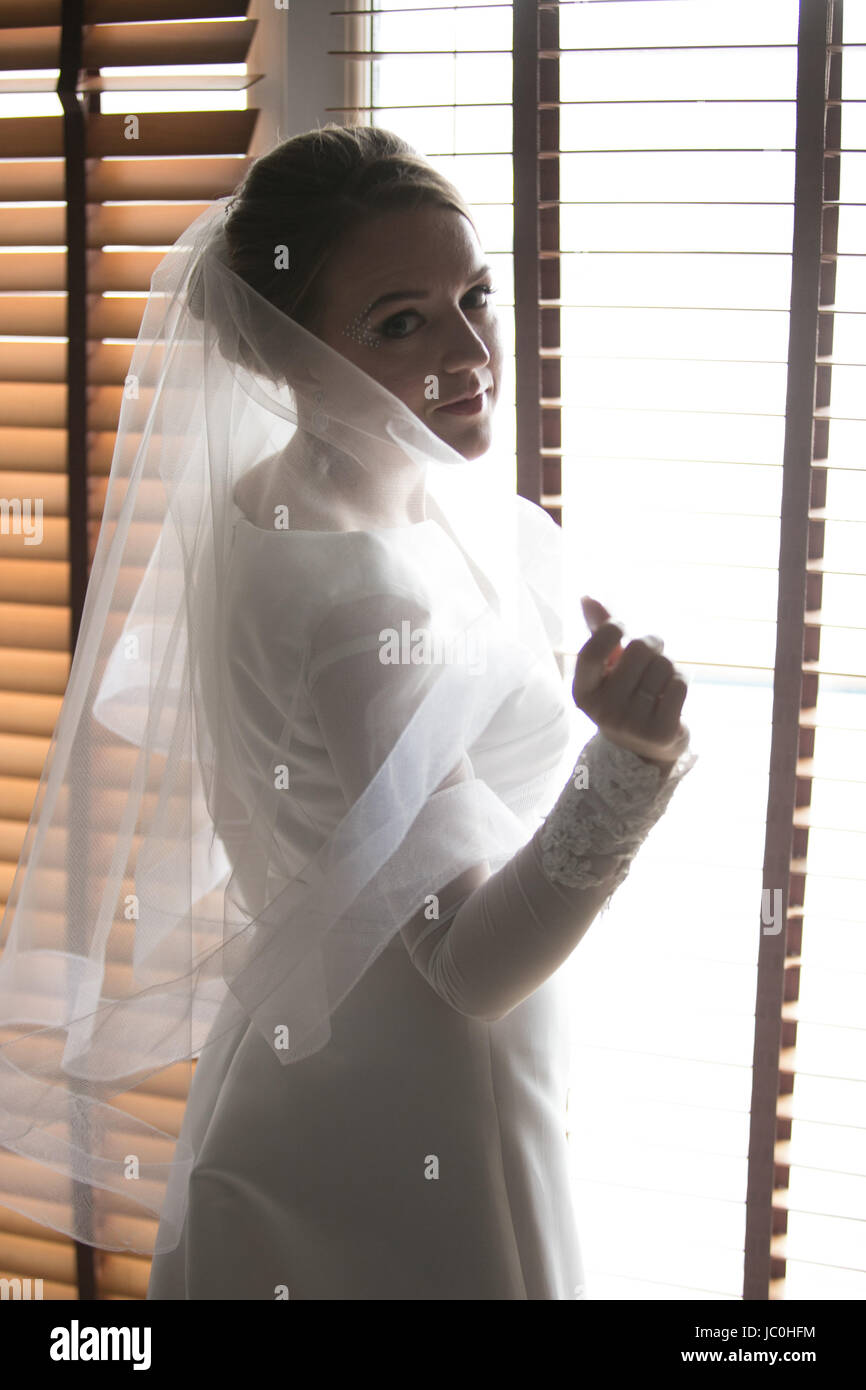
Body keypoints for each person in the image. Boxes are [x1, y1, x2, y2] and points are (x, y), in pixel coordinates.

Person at [0, 125, 697, 1300]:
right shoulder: (360, 591)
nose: (470, 348)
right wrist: (634, 760)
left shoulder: (268, 501)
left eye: (474, 294)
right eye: (398, 320)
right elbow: (468, 964)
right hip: (426, 1107)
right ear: (286, 350)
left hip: (315, 1067)